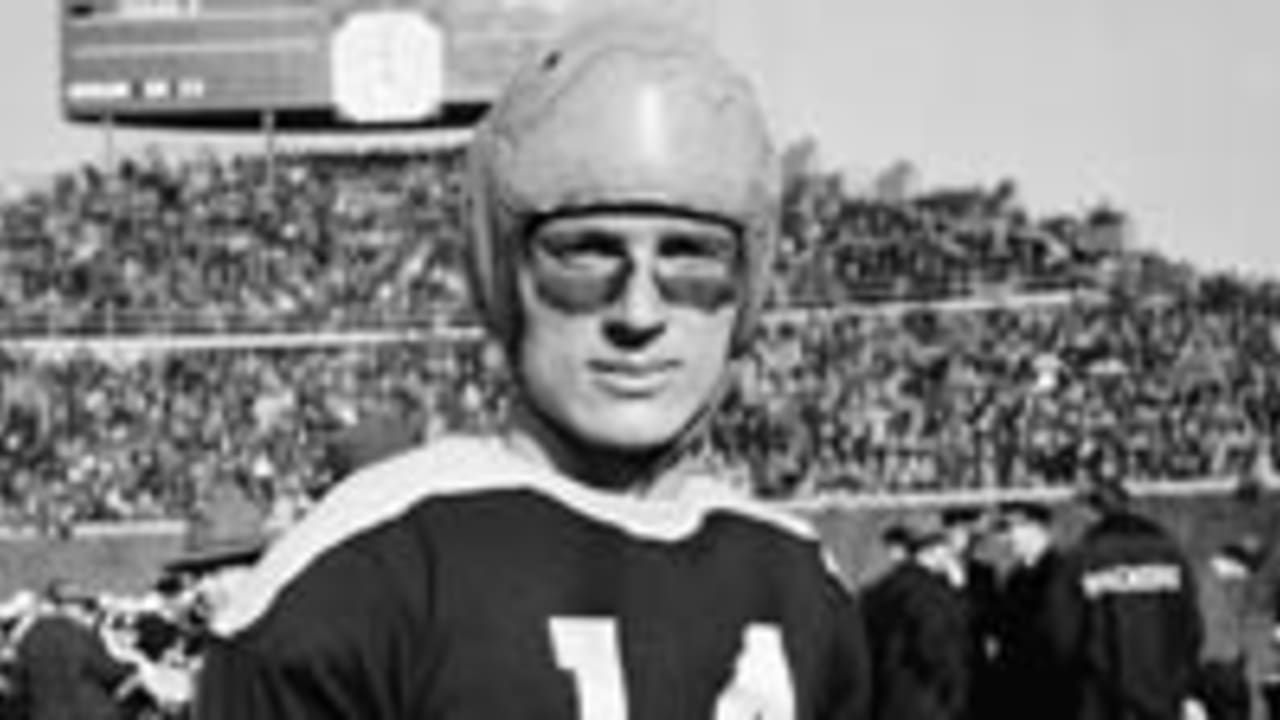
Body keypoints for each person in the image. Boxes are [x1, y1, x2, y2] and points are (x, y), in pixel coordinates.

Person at [195, 11, 871, 720]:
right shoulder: (363, 571)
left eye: (688, 256)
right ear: (503, 273)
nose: (638, 314)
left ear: (748, 287)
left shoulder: (796, 581)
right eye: (585, 253)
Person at [1045, 482, 1203, 720]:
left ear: (1089, 513)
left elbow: (1062, 634)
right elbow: (1191, 628)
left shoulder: (1081, 558)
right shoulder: (1171, 553)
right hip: (1163, 697)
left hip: (1104, 700)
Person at [861, 513, 971, 720]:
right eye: (946, 547)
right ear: (935, 549)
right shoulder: (932, 594)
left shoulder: (879, 589)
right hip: (925, 706)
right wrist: (959, 593)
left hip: (885, 704)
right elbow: (939, 652)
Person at [988, 500, 1070, 720]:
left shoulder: (1063, 573)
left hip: (1052, 692)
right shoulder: (1015, 577)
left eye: (1012, 528)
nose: (1008, 537)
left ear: (1035, 529)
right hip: (1018, 691)